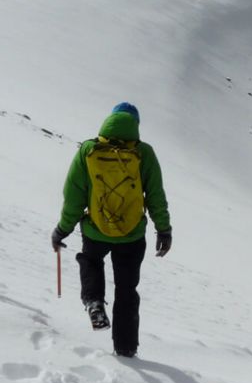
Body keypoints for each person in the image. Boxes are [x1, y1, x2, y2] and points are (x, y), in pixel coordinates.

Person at [51, 102, 171, 358]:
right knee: (126, 290)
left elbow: (74, 195)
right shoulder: (144, 153)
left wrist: (62, 229)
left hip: (96, 230)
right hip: (132, 235)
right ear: (135, 125)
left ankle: (94, 301)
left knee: (91, 260)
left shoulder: (89, 150)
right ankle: (126, 348)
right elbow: (156, 195)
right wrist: (164, 229)